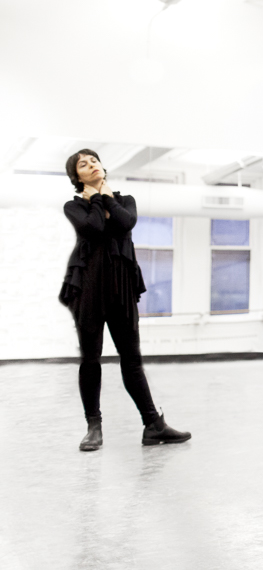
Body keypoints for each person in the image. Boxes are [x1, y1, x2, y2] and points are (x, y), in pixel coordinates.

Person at [59, 149, 191, 451]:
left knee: (132, 360)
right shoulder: (74, 205)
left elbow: (124, 222)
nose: (91, 164)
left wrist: (106, 196)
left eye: (94, 160)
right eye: (83, 163)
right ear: (76, 176)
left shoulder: (124, 200)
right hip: (89, 289)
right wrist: (94, 198)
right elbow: (92, 227)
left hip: (121, 288)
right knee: (90, 359)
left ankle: (153, 425)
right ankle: (93, 426)